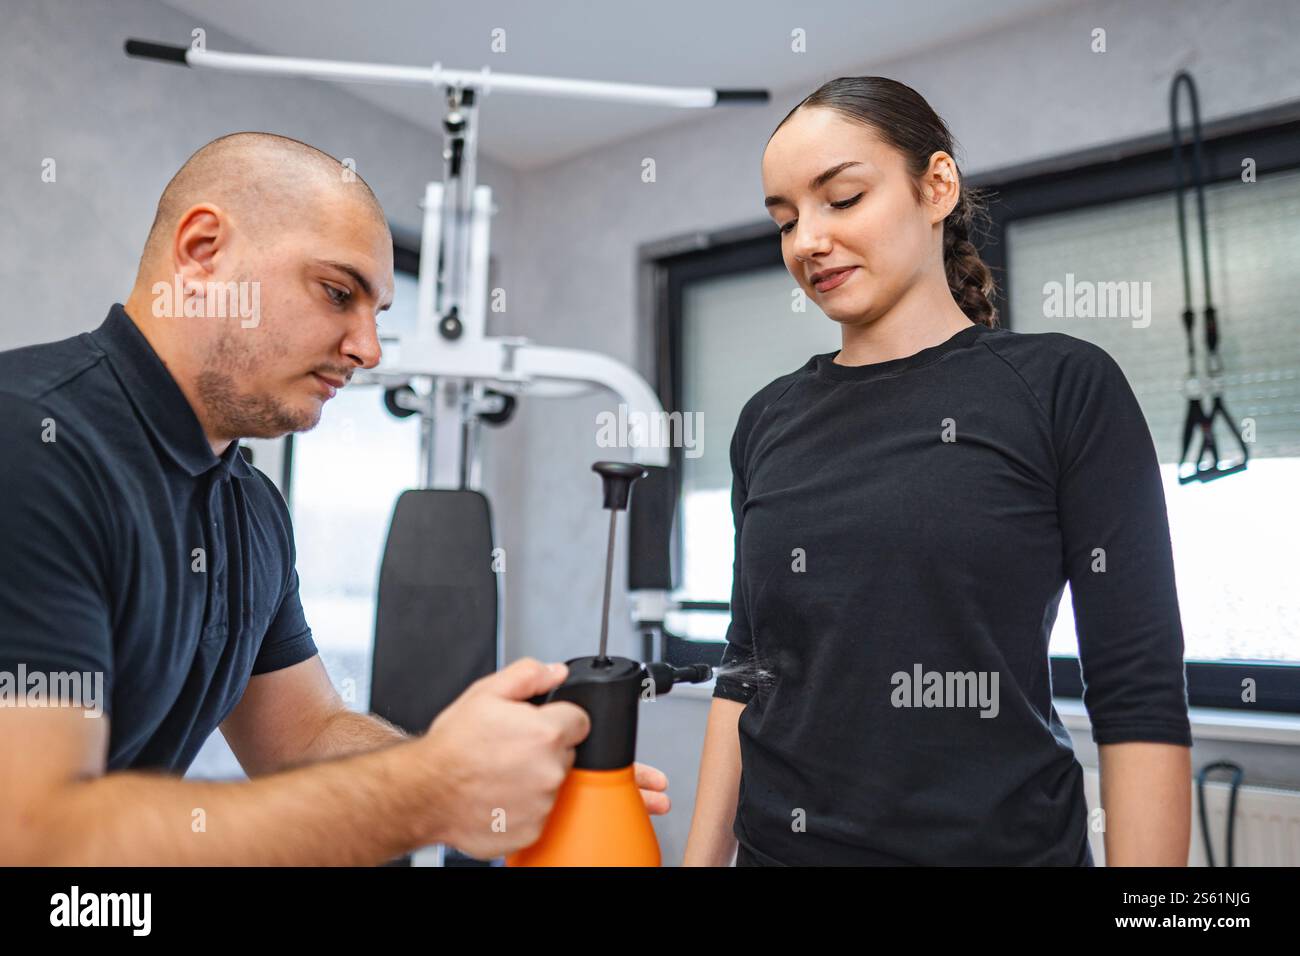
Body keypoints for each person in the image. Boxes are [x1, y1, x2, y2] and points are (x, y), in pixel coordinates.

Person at [0, 132, 668, 865]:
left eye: (377, 311)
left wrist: (489, 772)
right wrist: (431, 788)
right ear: (200, 252)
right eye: (338, 293)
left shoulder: (249, 505)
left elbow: (304, 736)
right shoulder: (30, 443)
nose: (369, 349)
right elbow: (37, 838)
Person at [683, 77, 1192, 866]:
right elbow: (748, 665)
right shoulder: (767, 421)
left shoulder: (1062, 386)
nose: (806, 241)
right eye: (786, 220)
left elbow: (1138, 686)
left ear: (937, 186)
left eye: (842, 198)